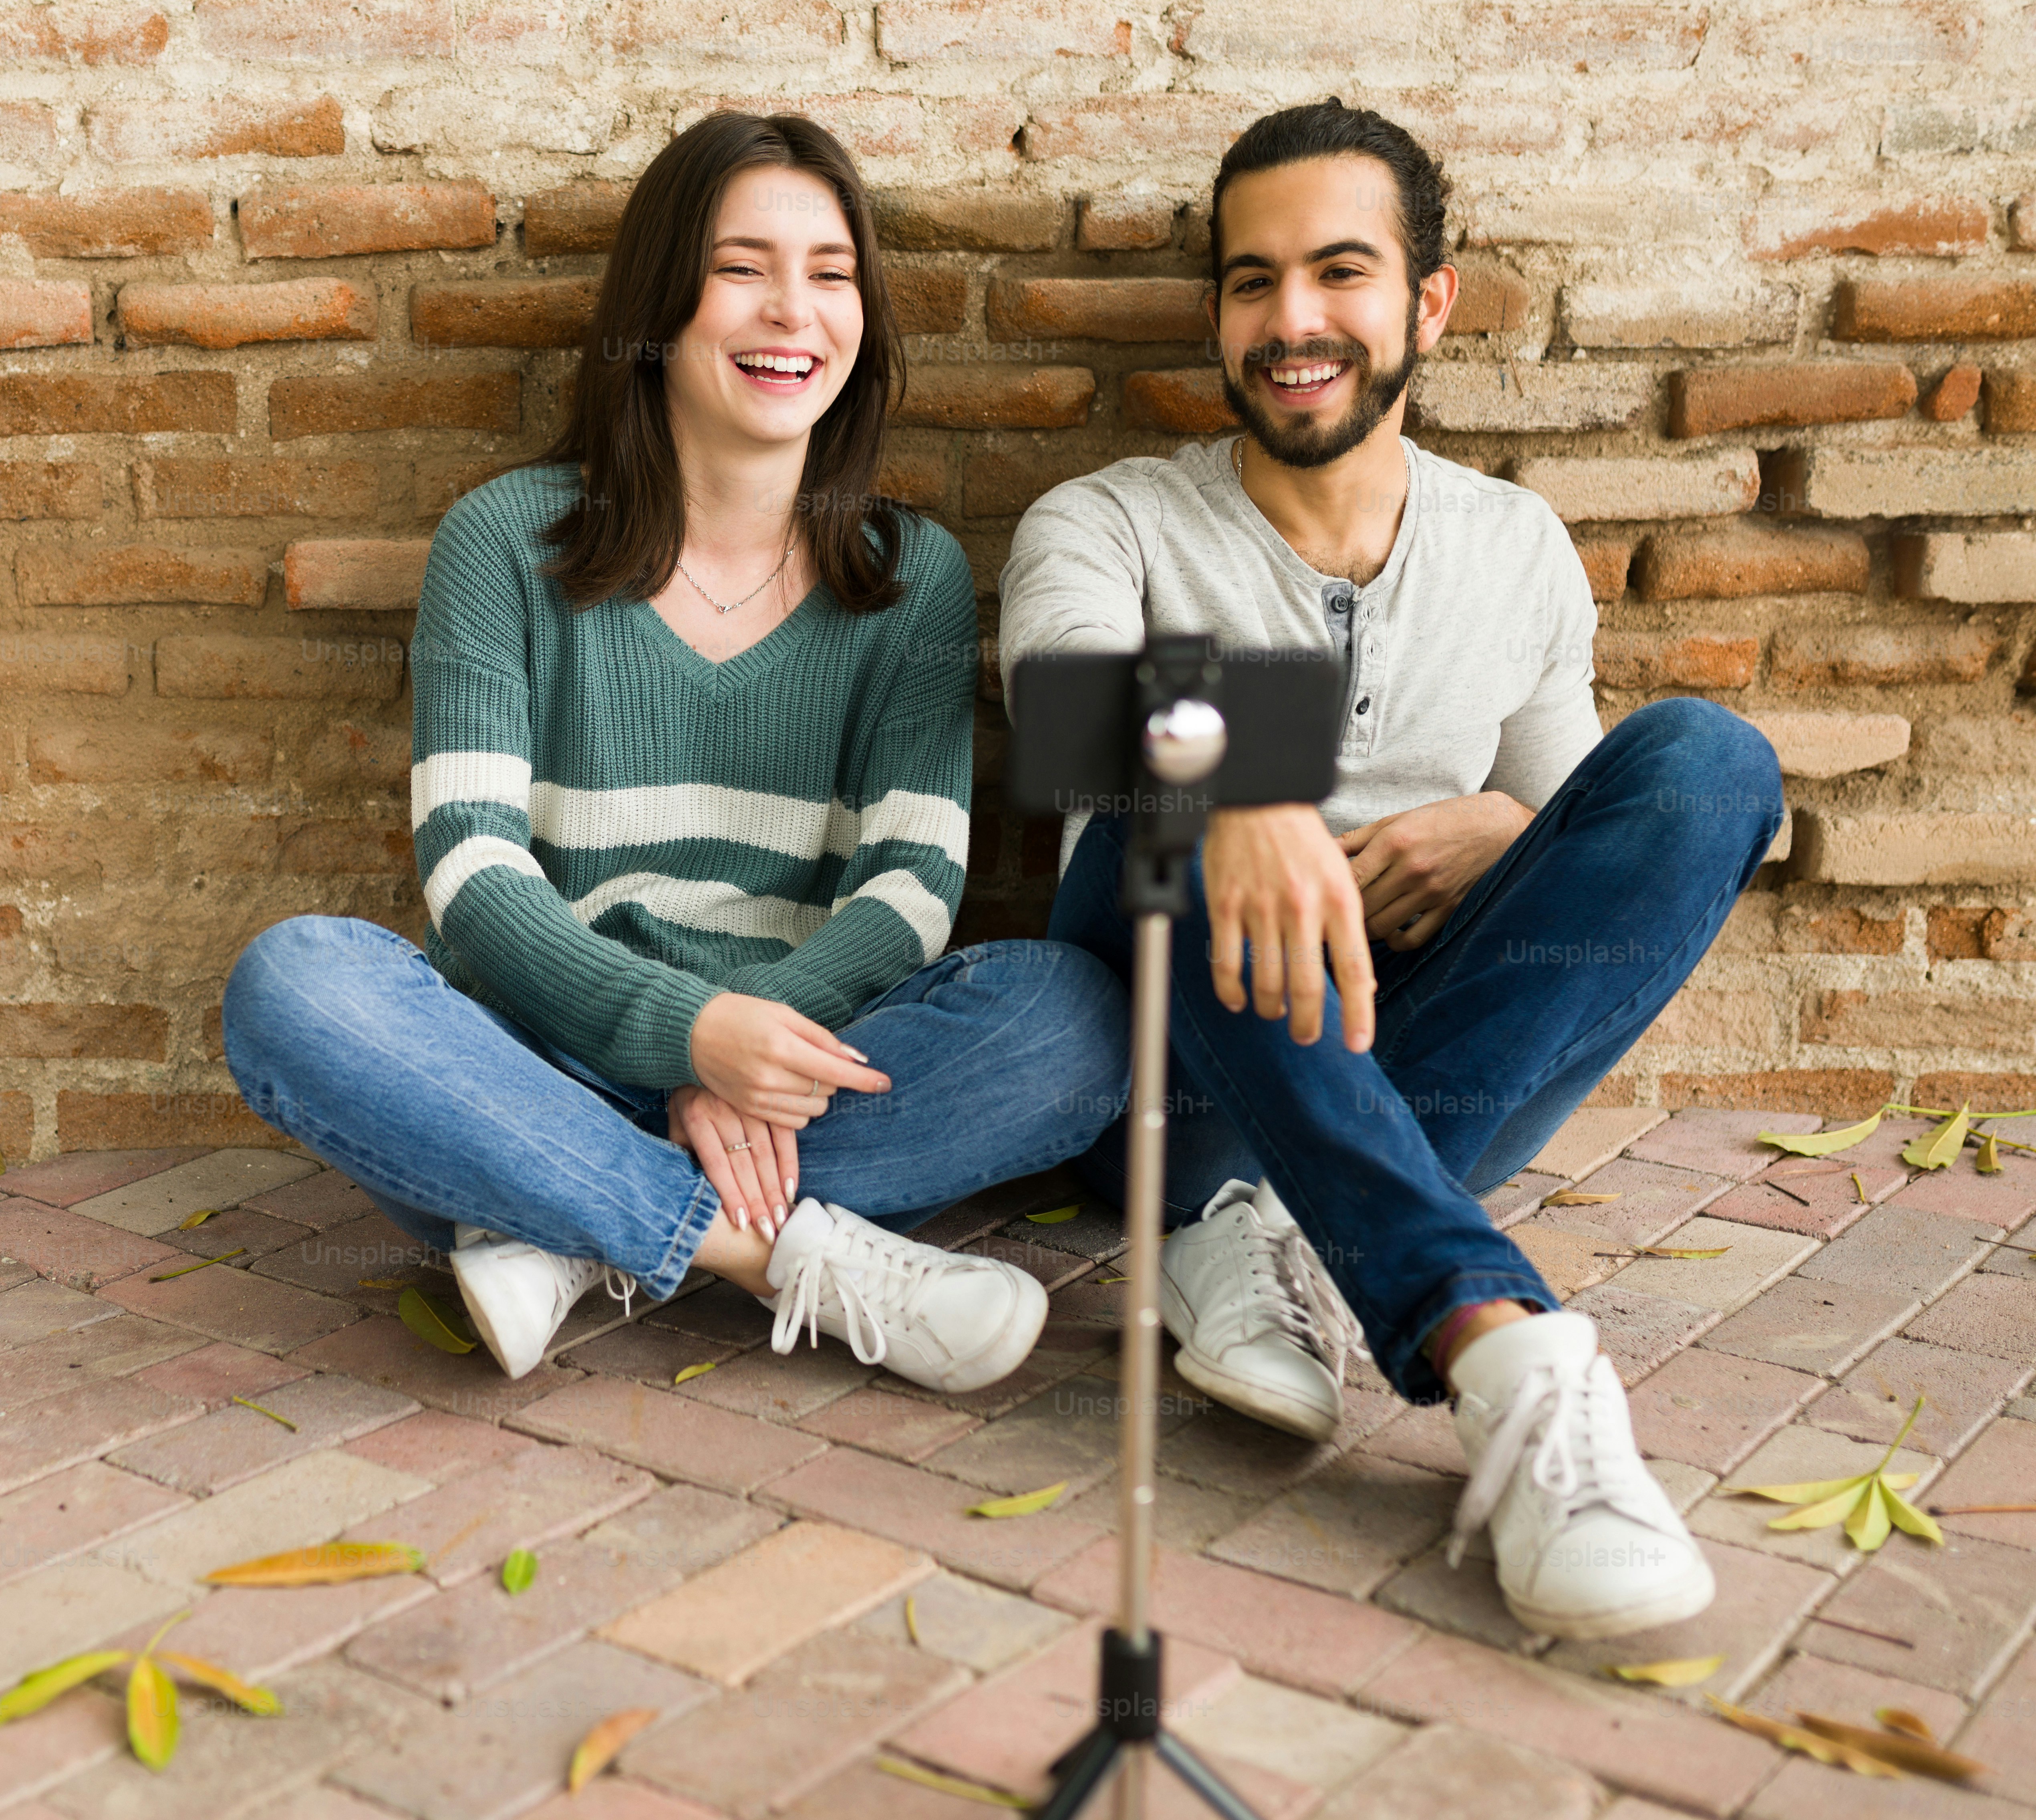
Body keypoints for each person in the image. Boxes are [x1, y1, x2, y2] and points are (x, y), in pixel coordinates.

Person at [1003, 99, 1782, 1639]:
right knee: (1176, 814)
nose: (1291, 322)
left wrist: (1498, 826)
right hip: (1166, 1042)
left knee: (1710, 763)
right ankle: (1495, 1338)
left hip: (1414, 1048)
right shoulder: (1111, 522)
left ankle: (1285, 1222)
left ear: (1427, 301)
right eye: (1249, 281)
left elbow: (1581, 835)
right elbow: (1057, 705)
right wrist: (1235, 796)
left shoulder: (1513, 546)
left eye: (1338, 273)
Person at [222, 112, 1130, 1393]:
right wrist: (679, 1040)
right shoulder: (506, 542)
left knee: (1075, 1018)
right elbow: (472, 877)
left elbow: (910, 888)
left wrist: (748, 1050)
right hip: (542, 1050)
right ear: (658, 303)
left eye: (830, 274)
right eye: (741, 267)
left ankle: (565, 1224)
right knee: (299, 983)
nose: (792, 312)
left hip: (799, 1071)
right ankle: (773, 1257)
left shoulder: (907, 574)